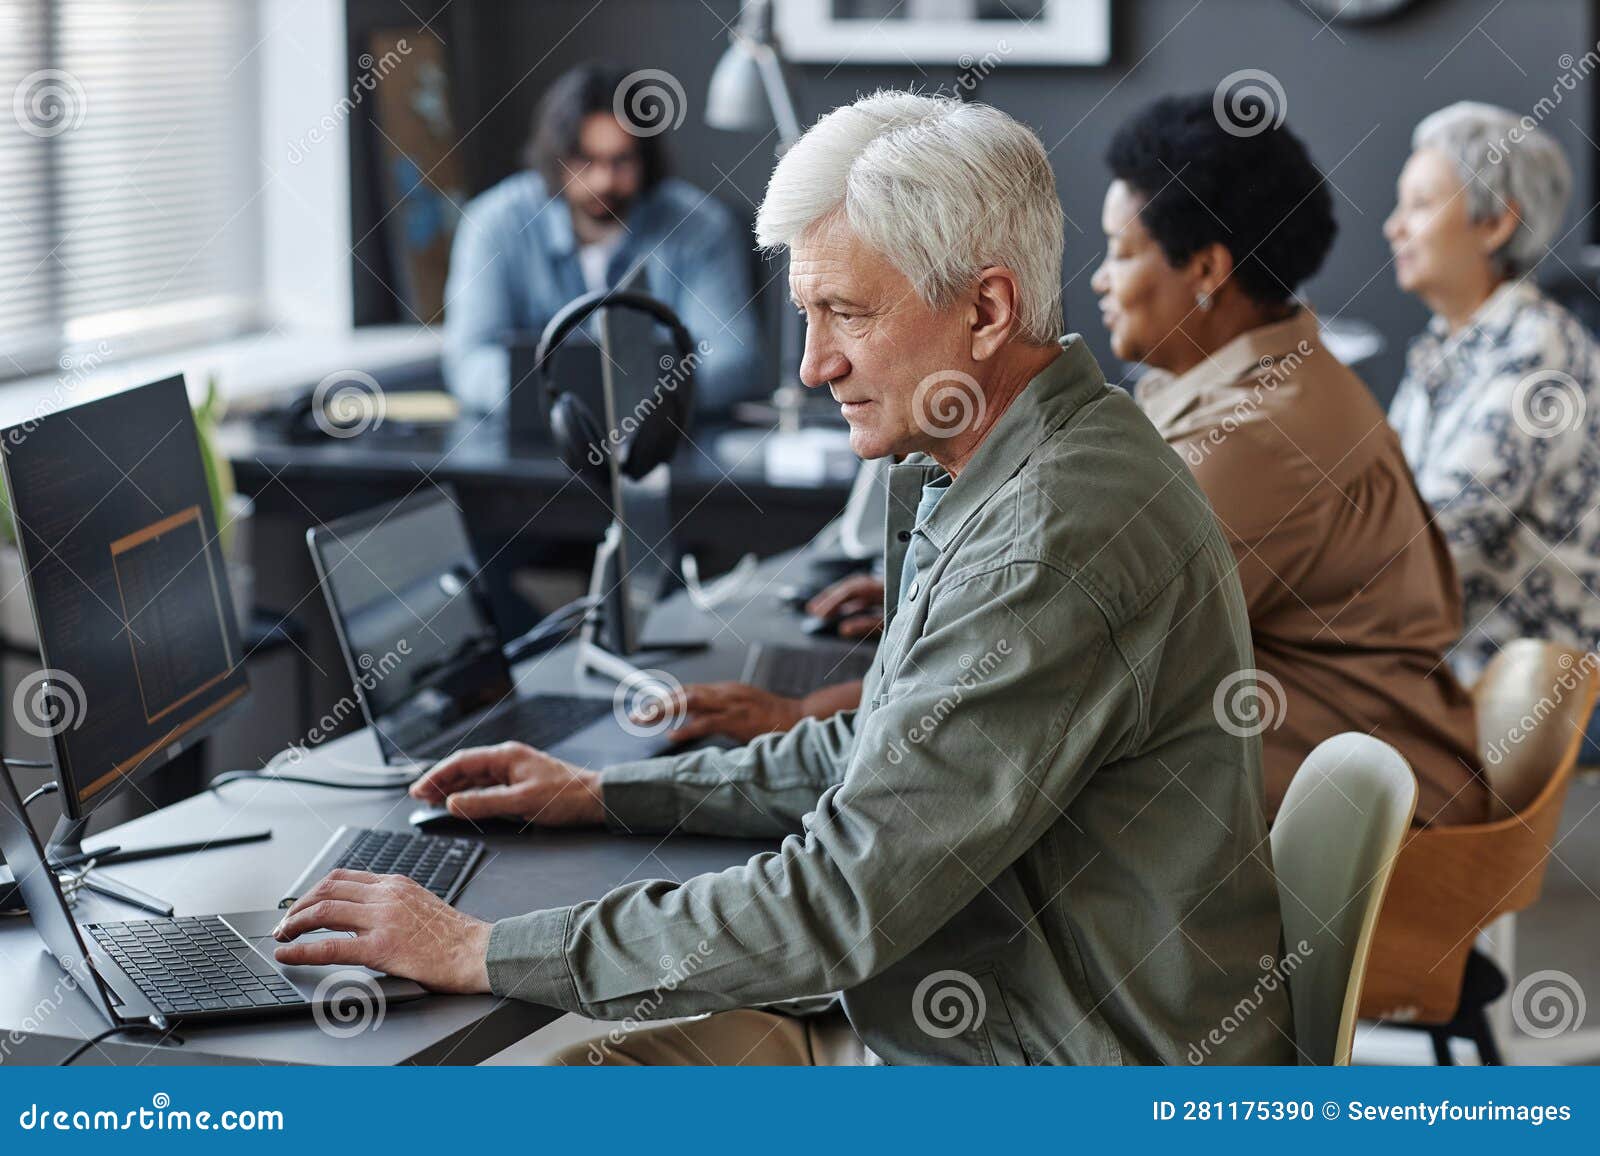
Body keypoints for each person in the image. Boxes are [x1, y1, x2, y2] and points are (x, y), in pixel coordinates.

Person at [273, 91, 1295, 1066]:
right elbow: (895, 748)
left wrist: (477, 949)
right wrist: (607, 791)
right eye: (807, 315)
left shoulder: (1049, 531)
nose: (814, 365)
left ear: (986, 310)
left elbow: (838, 899)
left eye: (845, 312)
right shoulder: (995, 463)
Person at [1089, 94, 1483, 826]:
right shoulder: (1230, 381)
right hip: (1326, 768)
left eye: (1119, 251)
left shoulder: (1255, 434)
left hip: (1364, 821)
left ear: (1206, 267)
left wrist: (831, 705)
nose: (1098, 280)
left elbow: (1091, 651)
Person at [1385, 102, 1600, 703]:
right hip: (1452, 675)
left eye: (1420, 205)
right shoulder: (1442, 343)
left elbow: (1431, 544)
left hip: (1539, 701)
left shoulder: (1539, 351)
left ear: (1495, 225)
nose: (1393, 227)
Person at [442, 61, 762, 415]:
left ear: (646, 160)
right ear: (557, 159)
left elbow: (733, 359)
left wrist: (628, 399)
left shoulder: (701, 227)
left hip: (662, 445)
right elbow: (469, 360)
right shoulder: (493, 224)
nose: (603, 182)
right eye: (585, 161)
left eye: (621, 161)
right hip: (535, 450)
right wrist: (580, 398)